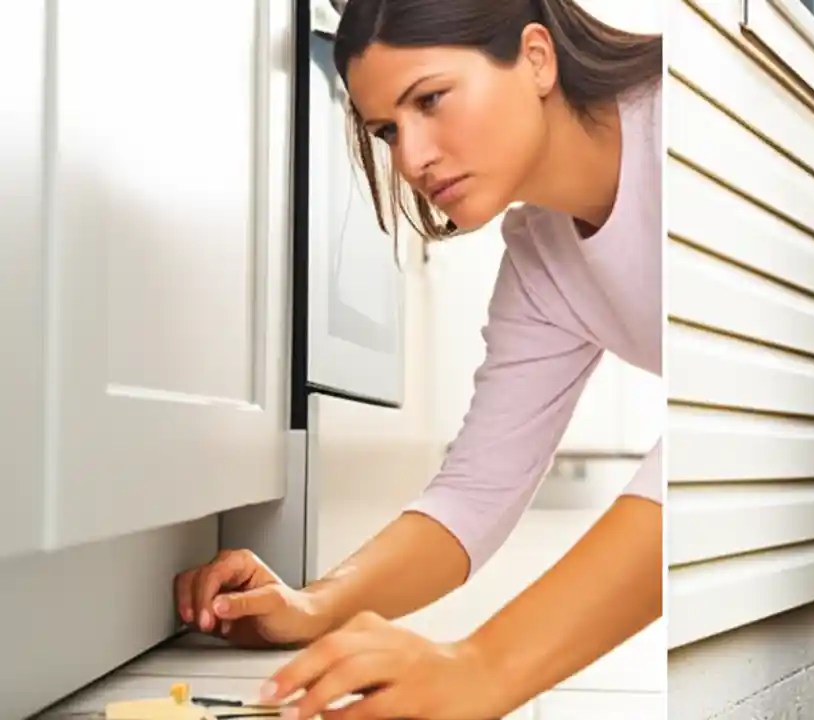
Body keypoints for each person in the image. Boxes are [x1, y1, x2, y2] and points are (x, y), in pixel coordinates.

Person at [171, 1, 663, 718]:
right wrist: (315, 604)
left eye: (430, 99)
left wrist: (482, 668)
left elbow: (704, 443)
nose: (411, 158)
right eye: (387, 130)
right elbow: (476, 493)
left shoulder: (679, 128)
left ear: (536, 58)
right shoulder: (541, 261)